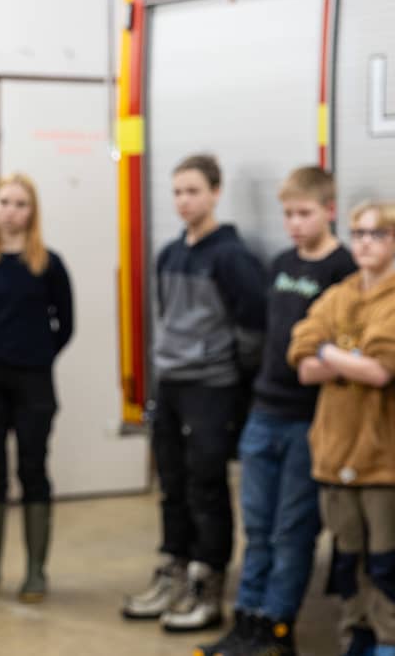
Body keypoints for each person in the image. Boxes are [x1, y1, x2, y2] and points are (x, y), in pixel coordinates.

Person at [197, 167, 357, 656]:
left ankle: (276, 626)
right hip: (263, 411)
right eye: (288, 214)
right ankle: (246, 622)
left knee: (293, 529)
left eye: (305, 213)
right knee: (259, 527)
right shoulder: (283, 262)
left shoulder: (343, 268)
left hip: (307, 418)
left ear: (329, 211)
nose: (294, 224)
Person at [123, 154, 267, 631]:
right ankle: (174, 570)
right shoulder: (170, 254)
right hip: (172, 383)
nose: (184, 201)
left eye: (193, 191)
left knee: (206, 484)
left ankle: (208, 586)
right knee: (172, 484)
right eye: (178, 191)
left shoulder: (230, 256)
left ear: (215, 192)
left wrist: (224, 366)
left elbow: (253, 324)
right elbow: (167, 317)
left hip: (213, 387)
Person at [288, 200, 395, 656]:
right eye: (359, 234)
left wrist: (329, 352)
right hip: (333, 451)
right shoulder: (339, 293)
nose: (365, 243)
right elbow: (302, 359)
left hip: (384, 455)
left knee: (387, 562)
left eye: (378, 234)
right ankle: (356, 637)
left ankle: (394, 642)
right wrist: (344, 356)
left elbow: (384, 367)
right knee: (348, 561)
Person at [0, 173, 73, 604]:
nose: (11, 210)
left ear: (32, 212)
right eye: (3, 201)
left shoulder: (49, 264)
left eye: (20, 203)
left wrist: (36, 353)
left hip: (34, 382)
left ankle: (35, 572)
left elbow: (66, 324)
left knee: (32, 469)